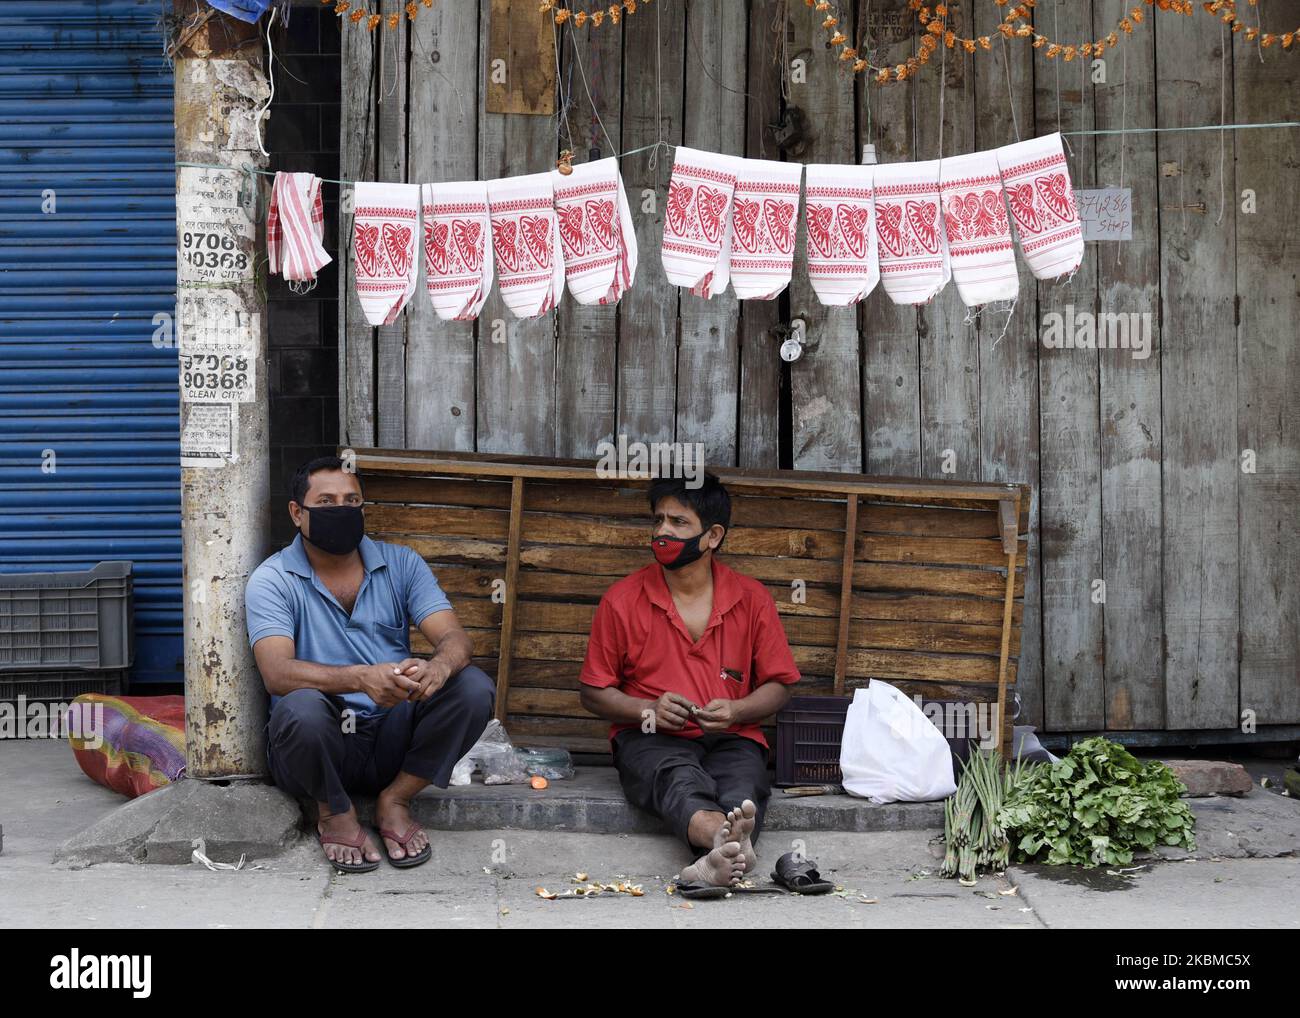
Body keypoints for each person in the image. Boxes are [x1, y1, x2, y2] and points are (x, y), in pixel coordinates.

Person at [245, 456, 495, 872]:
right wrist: (361, 678)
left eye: (351, 500)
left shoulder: (402, 564)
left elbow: (455, 638)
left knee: (472, 687)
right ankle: (333, 811)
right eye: (325, 502)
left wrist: (437, 668)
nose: (341, 510)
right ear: (296, 513)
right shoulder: (273, 580)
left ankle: (395, 799)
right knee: (301, 706)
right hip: (319, 746)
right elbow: (277, 673)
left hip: (390, 737)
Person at [578, 473, 800, 889]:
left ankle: (715, 857)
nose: (662, 531)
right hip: (650, 738)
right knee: (676, 778)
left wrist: (737, 710)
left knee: (744, 787)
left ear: (713, 535)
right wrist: (648, 710)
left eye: (678, 522)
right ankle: (726, 843)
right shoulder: (622, 599)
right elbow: (592, 691)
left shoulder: (752, 598)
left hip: (734, 735)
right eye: (658, 520)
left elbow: (780, 685)